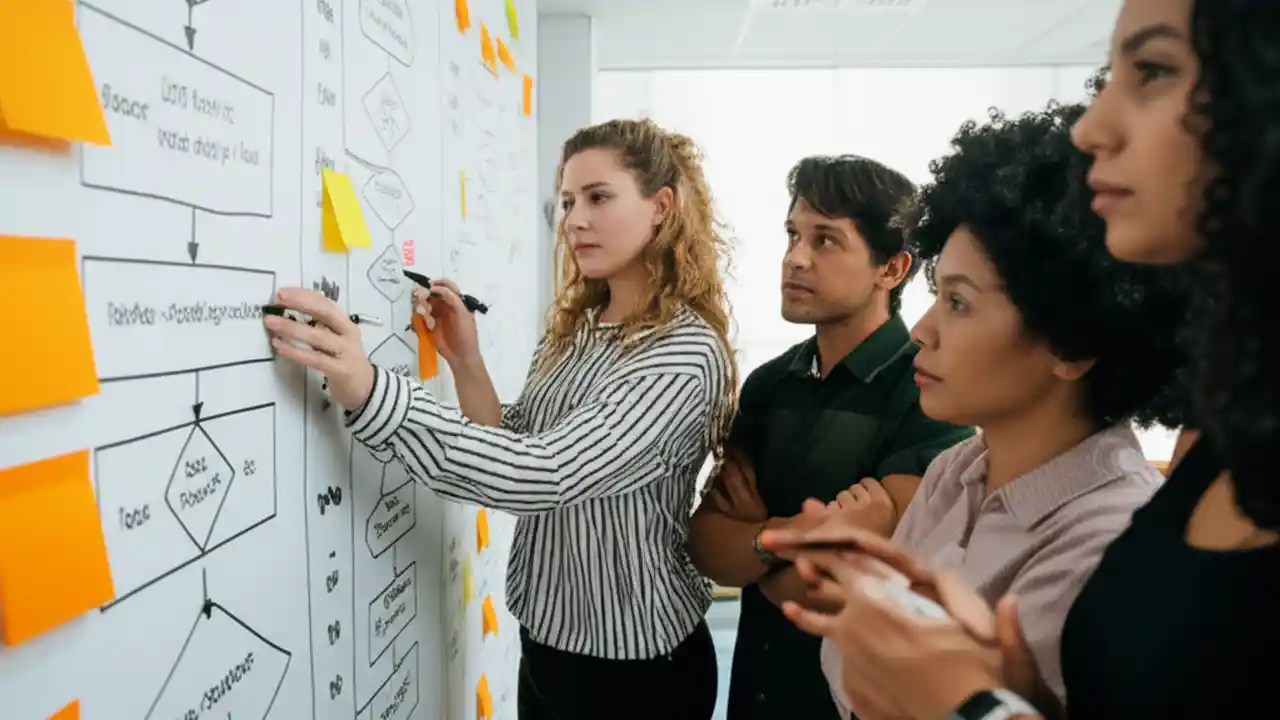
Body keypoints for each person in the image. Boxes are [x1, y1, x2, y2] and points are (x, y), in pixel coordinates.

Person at [761, 0, 1280, 717]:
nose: (1094, 126)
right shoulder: (959, 469)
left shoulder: (1110, 523)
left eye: (1153, 70)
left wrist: (967, 699)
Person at [264, 118, 736, 720]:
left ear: (662, 207)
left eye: (599, 197)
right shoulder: (582, 329)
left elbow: (544, 475)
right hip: (549, 646)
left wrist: (374, 393)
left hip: (636, 670)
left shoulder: (682, 355)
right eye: (567, 201)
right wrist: (466, 360)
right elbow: (511, 444)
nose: (574, 220)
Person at [808, 102, 1190, 718]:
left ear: (1072, 342)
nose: (921, 332)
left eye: (958, 303)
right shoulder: (954, 471)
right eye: (937, 295)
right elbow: (852, 672)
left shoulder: (1110, 540)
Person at [686, 155, 973, 720]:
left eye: (826, 241)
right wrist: (791, 538)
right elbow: (707, 546)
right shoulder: (770, 385)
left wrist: (758, 548)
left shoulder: (929, 389)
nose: (795, 258)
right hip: (756, 697)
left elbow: (868, 584)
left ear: (890, 269)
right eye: (793, 234)